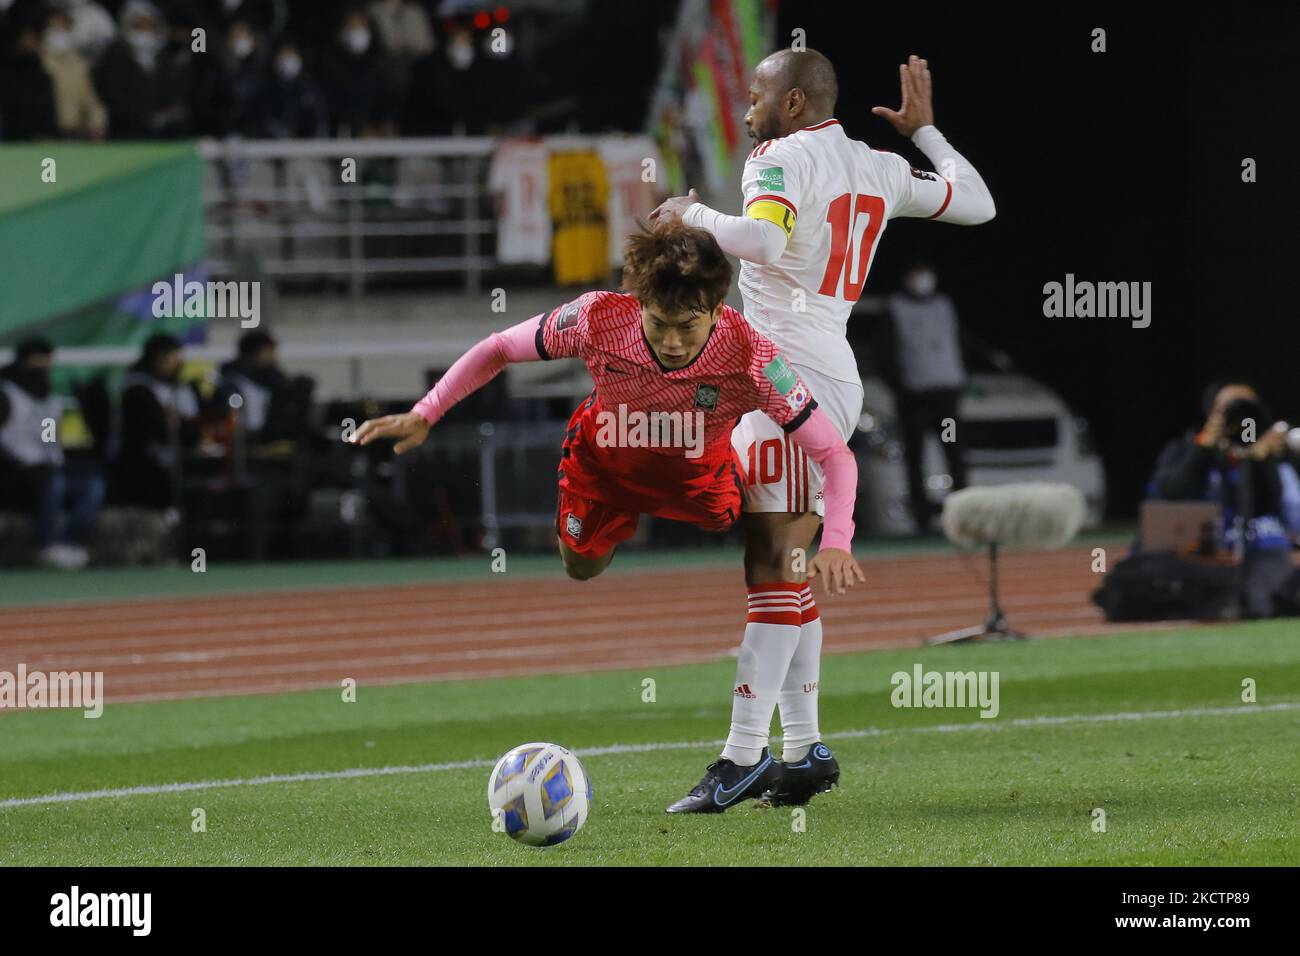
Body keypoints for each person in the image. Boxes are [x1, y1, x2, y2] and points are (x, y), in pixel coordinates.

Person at [652, 51, 994, 810]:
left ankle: (742, 757)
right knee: (784, 567)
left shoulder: (776, 157)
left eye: (757, 96)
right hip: (821, 368)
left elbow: (767, 244)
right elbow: (978, 204)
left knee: (772, 568)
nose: (746, 112)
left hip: (786, 379)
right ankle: (803, 751)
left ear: (794, 101)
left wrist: (692, 214)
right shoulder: (876, 165)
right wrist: (928, 134)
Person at [353, 221, 866, 670]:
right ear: (638, 304)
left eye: (686, 327)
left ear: (715, 310)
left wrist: (838, 539)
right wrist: (426, 412)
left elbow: (834, 454)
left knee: (736, 519)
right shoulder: (598, 318)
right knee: (581, 568)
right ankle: (615, 518)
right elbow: (499, 348)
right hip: (607, 462)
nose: (670, 342)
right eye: (657, 323)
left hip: (696, 475)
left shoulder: (754, 357)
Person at [1148, 381, 1300, 617]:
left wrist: (1257, 459)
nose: (1238, 418)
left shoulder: (1267, 453)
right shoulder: (1186, 448)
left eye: (1246, 409)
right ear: (1212, 414)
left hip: (1258, 551)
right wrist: (1204, 448)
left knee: (1264, 601)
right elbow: (1170, 493)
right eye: (1228, 409)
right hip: (1200, 552)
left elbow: (1270, 503)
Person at [0, 339, 104, 569]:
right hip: (15, 471)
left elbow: (52, 441)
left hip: (46, 468)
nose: (42, 367)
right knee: (53, 482)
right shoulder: (7, 394)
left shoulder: (52, 398)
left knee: (92, 482)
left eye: (46, 361)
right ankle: (45, 544)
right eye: (36, 361)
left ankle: (71, 542)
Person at [884, 261, 969, 531]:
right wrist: (899, 385)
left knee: (954, 453)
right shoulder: (895, 307)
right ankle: (922, 518)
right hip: (915, 396)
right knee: (916, 457)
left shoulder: (944, 305)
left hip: (946, 394)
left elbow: (957, 343)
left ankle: (963, 514)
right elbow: (884, 353)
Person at [112, 333, 201, 510]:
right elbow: (154, 430)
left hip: (179, 460)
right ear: (158, 358)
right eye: (172, 357)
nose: (177, 363)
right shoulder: (137, 388)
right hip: (145, 467)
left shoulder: (182, 388)